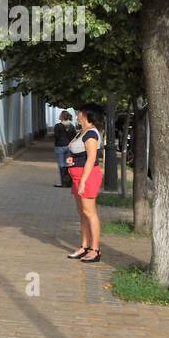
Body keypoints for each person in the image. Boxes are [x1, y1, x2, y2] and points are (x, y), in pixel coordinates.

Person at [66, 106, 103, 263]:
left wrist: (83, 181)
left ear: (87, 115)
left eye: (79, 112)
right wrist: (72, 160)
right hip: (77, 175)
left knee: (90, 213)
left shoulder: (91, 134)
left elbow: (91, 158)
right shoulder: (81, 132)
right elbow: (81, 154)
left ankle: (95, 250)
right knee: (82, 213)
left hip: (87, 176)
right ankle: (84, 246)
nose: (77, 115)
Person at [52, 110, 75, 187]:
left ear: (62, 117)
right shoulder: (72, 126)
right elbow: (74, 137)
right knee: (68, 164)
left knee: (61, 165)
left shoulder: (57, 126)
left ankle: (63, 183)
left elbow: (56, 136)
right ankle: (69, 182)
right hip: (69, 147)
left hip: (59, 146)